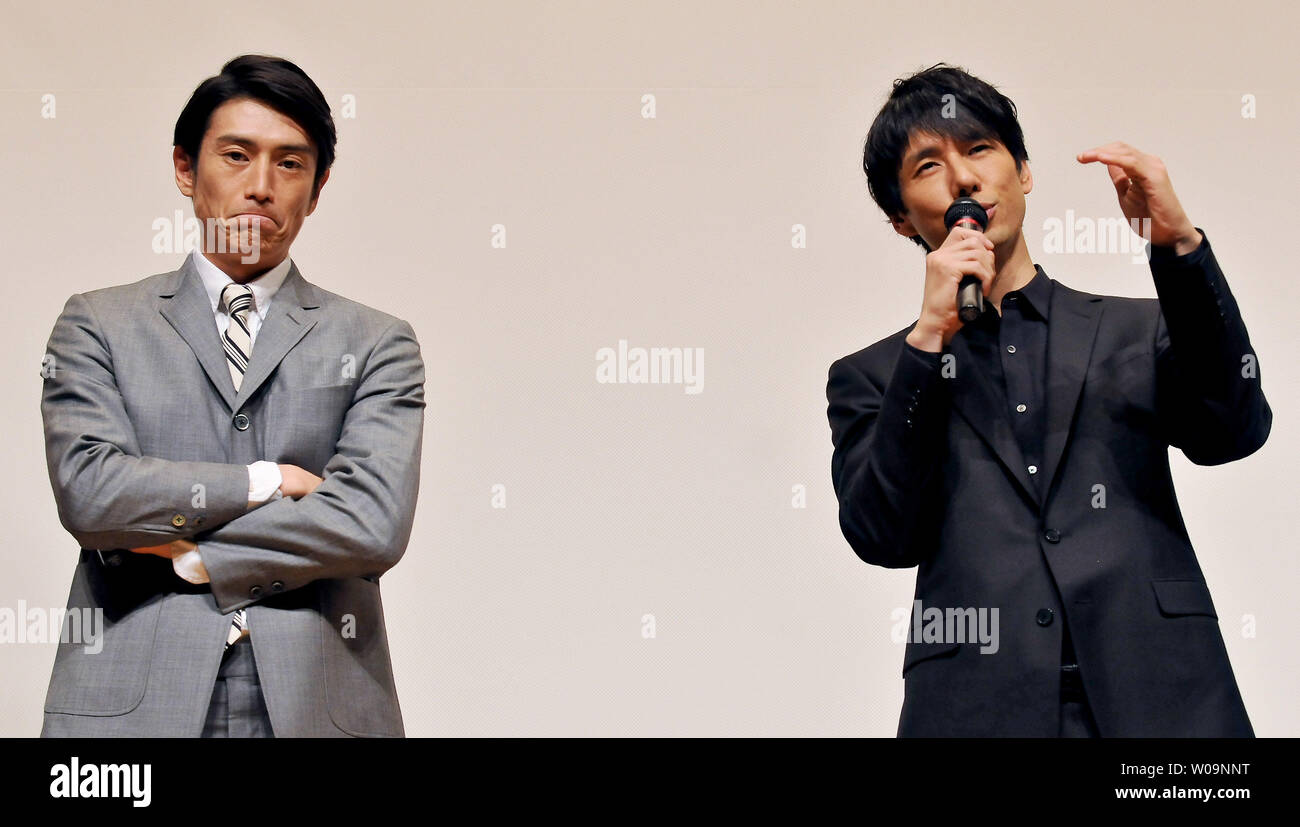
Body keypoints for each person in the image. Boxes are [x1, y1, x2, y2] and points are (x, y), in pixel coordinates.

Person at [826, 64, 1270, 737]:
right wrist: (927, 342)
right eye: (928, 166)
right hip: (976, 709)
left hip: (1165, 701)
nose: (964, 180)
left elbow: (1232, 429)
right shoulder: (879, 375)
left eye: (979, 149)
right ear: (899, 219)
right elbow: (884, 534)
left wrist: (1180, 248)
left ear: (1023, 171)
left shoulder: (1135, 330)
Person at [39, 54, 425, 737]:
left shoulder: (377, 342)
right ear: (187, 170)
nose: (260, 186)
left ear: (318, 186)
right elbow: (92, 494)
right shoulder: (97, 323)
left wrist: (194, 555)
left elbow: (370, 523)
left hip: (319, 702)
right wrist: (266, 480)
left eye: (290, 163)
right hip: (131, 708)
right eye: (237, 155)